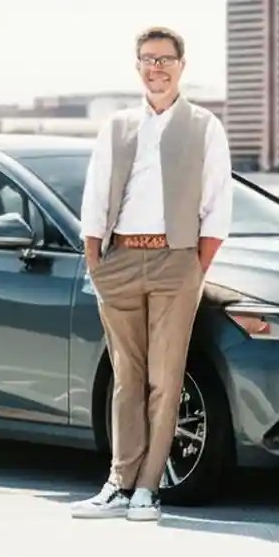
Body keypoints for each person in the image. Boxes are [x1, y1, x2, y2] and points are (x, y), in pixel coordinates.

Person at [70, 26, 232, 522]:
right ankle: (119, 483)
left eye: (165, 59)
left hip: (175, 262)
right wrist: (97, 263)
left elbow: (216, 206)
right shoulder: (116, 127)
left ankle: (148, 488)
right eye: (147, 59)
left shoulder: (205, 126)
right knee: (126, 379)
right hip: (118, 262)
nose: (156, 67)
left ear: (182, 65)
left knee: (166, 379)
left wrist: (192, 268)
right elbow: (95, 200)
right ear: (136, 66)